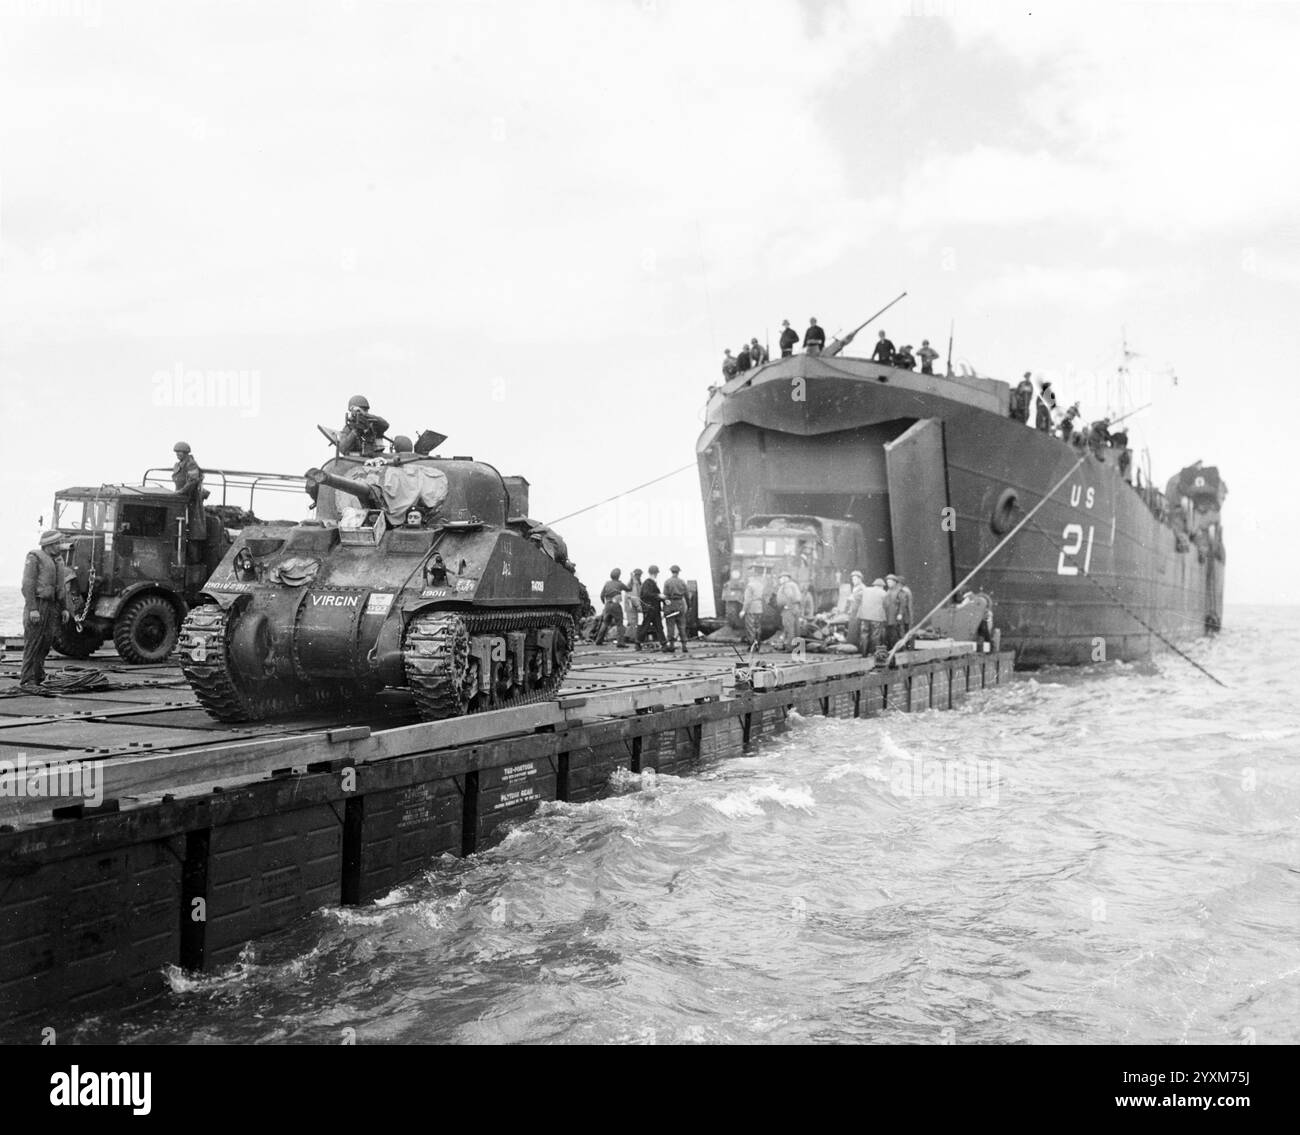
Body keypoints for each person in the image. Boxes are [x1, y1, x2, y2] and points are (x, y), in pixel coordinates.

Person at [20, 530, 73, 690]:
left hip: (52, 606)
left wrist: (64, 608)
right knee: (33, 642)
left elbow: (61, 587)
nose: (60, 546)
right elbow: (28, 584)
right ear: (49, 545)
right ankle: (27, 680)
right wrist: (33, 609)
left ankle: (38, 676)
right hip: (39, 604)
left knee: (45, 642)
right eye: (57, 543)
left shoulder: (57, 560)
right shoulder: (34, 558)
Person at [171, 441, 207, 536]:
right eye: (176, 452)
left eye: (180, 452)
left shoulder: (191, 464)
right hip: (181, 496)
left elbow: (192, 481)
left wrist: (181, 492)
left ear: (186, 452)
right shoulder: (179, 464)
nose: (178, 454)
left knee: (194, 526)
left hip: (191, 497)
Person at [594, 568, 629, 647]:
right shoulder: (619, 584)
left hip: (607, 605)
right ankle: (620, 643)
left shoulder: (607, 583)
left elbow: (601, 595)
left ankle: (598, 640)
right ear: (619, 576)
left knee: (605, 623)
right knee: (619, 624)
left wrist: (605, 603)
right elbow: (628, 589)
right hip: (616, 604)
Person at [662, 565, 690, 653]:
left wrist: (664, 607)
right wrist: (688, 606)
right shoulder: (682, 582)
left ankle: (671, 644)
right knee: (681, 625)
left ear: (671, 571)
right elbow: (687, 595)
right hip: (680, 604)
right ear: (678, 572)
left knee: (670, 625)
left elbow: (665, 596)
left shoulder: (667, 582)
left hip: (670, 604)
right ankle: (684, 645)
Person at [637, 565, 666, 649]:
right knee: (646, 627)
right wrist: (659, 596)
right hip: (650, 608)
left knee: (658, 627)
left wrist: (662, 599)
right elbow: (646, 594)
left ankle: (664, 644)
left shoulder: (648, 582)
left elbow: (647, 595)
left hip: (653, 608)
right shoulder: (648, 582)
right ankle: (638, 642)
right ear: (655, 573)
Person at [859, 577, 889, 658]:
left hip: (864, 616)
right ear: (882, 586)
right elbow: (886, 605)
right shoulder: (883, 593)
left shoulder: (865, 590)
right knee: (875, 635)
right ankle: (872, 653)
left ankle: (864, 653)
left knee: (864, 634)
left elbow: (857, 596)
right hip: (876, 617)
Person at [775, 571, 803, 648]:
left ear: (784, 579)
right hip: (795, 608)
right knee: (796, 627)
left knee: (789, 627)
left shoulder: (786, 586)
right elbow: (799, 598)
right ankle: (797, 646)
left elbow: (789, 595)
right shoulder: (794, 584)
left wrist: (787, 606)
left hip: (789, 609)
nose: (779, 580)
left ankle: (790, 647)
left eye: (780, 578)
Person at [743, 567, 766, 648]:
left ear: (751, 577)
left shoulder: (750, 586)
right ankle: (758, 644)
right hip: (759, 608)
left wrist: (743, 610)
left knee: (750, 627)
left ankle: (751, 645)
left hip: (751, 608)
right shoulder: (761, 585)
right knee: (757, 627)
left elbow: (747, 600)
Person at [844, 569, 866, 648]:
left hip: (858, 611)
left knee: (856, 628)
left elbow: (861, 598)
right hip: (853, 611)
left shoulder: (862, 588)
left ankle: (855, 645)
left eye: (855, 579)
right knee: (852, 628)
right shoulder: (855, 587)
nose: (853, 581)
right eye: (853, 579)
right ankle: (851, 644)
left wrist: (853, 598)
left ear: (860, 579)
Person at [624, 569, 644, 649]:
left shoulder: (632, 582)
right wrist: (639, 606)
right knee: (633, 622)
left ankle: (628, 637)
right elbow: (635, 596)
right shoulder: (635, 583)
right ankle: (630, 638)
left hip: (630, 604)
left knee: (631, 622)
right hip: (632, 605)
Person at [883, 573, 903, 649]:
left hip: (894, 615)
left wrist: (900, 613)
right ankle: (890, 647)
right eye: (887, 582)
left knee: (894, 632)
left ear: (895, 582)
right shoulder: (888, 591)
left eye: (890, 582)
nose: (888, 583)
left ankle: (895, 648)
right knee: (888, 632)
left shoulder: (899, 591)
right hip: (887, 615)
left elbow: (902, 603)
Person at [895, 574, 914, 646]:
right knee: (907, 630)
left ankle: (905, 645)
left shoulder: (903, 591)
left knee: (902, 630)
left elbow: (904, 604)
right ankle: (908, 645)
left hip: (904, 614)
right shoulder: (907, 590)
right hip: (907, 614)